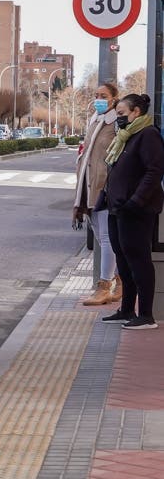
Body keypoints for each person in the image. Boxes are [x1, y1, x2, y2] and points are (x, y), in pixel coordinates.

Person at [100, 94, 164, 329]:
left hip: (136, 210)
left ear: (136, 112)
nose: (118, 118)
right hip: (117, 208)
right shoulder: (127, 135)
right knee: (124, 261)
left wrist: (136, 201)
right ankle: (127, 309)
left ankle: (146, 315)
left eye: (121, 114)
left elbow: (154, 171)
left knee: (138, 261)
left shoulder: (148, 134)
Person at [75, 83, 122, 305]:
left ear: (114, 98)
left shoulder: (116, 123)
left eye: (103, 96)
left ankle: (104, 286)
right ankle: (120, 281)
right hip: (89, 185)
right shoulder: (95, 119)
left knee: (107, 237)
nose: (98, 99)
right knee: (100, 236)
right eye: (96, 95)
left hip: (105, 186)